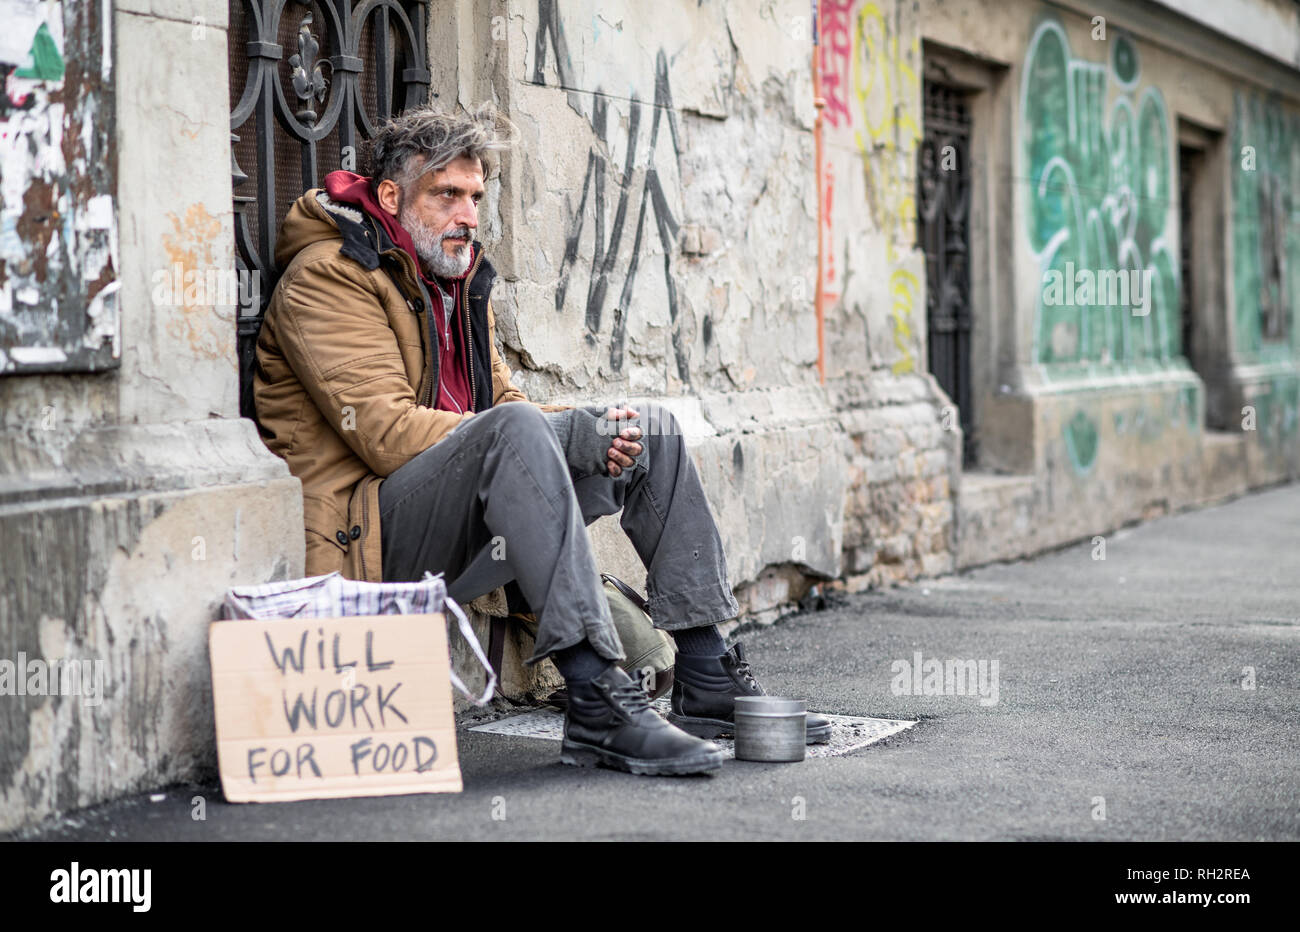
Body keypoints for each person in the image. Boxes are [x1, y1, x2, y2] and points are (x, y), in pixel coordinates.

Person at [254, 104, 829, 776]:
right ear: (390, 197)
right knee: (527, 431)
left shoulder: (453, 281)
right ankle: (597, 704)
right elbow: (385, 434)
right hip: (367, 538)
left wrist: (590, 432)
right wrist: (559, 434)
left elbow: (507, 406)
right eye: (445, 195)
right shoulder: (329, 278)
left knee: (649, 431)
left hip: (454, 518)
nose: (466, 214)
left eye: (474, 196)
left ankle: (704, 673)